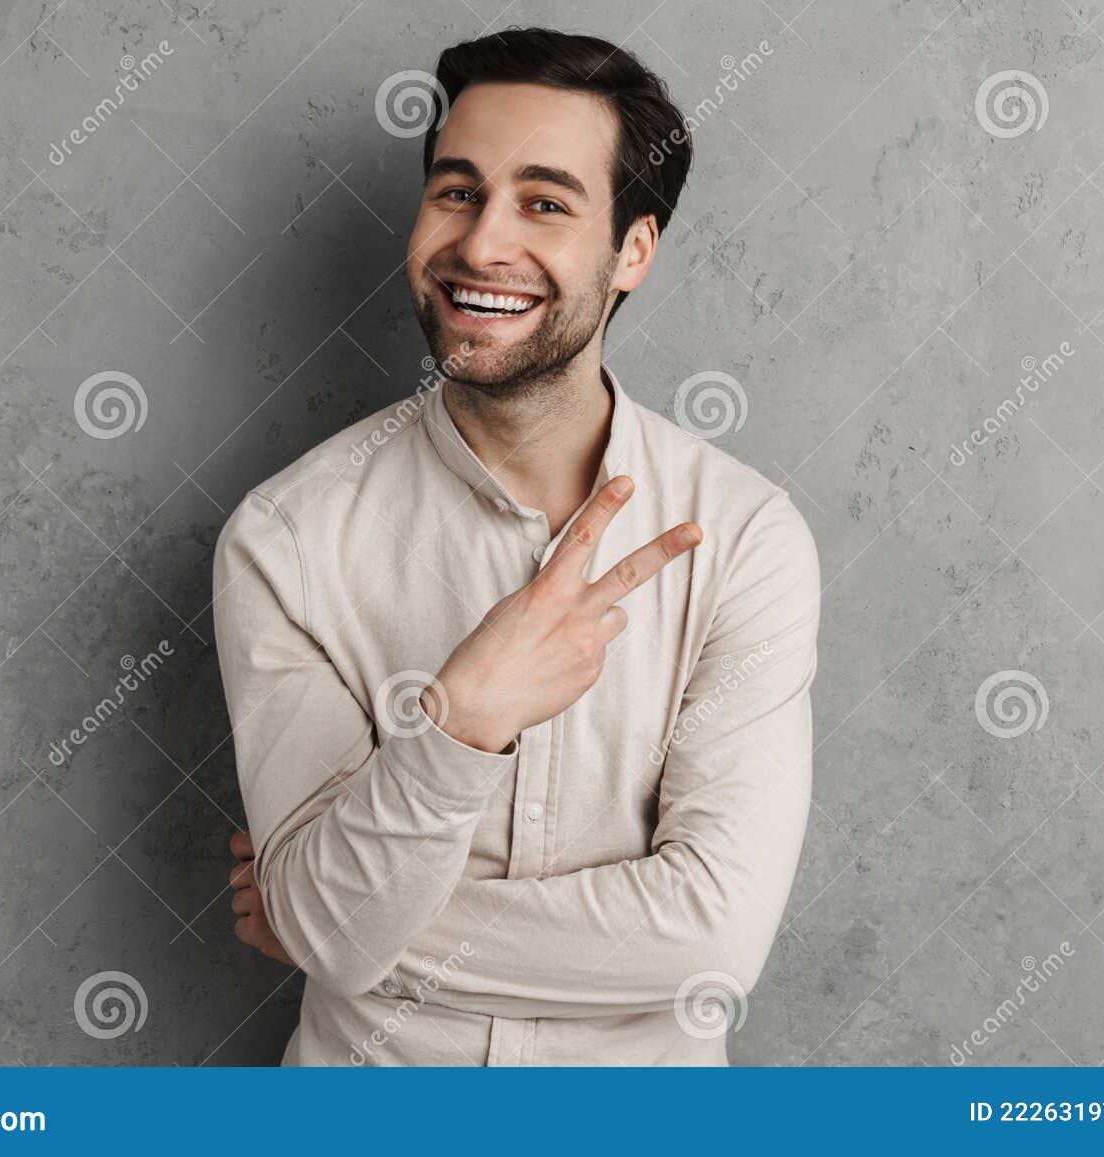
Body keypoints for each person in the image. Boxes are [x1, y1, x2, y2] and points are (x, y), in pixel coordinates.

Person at [212, 26, 820, 1065]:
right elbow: (329, 927)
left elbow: (712, 936)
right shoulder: (286, 537)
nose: (483, 244)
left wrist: (335, 915)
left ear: (633, 248)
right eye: (456, 191)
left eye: (544, 202)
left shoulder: (746, 537)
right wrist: (462, 723)